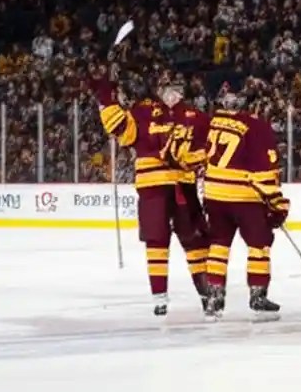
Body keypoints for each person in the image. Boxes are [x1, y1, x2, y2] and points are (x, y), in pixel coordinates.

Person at [90, 72, 212, 316]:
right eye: (167, 86)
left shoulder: (196, 117)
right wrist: (106, 95)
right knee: (156, 240)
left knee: (195, 241)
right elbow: (119, 128)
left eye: (177, 86)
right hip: (152, 186)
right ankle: (159, 297)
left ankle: (206, 294)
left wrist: (188, 160)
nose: (172, 92)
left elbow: (208, 150)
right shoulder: (143, 112)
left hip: (183, 186)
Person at [201, 93, 289, 317]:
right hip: (244, 195)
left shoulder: (214, 122)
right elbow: (264, 171)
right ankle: (258, 294)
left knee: (219, 245)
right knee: (259, 244)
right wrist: (278, 205)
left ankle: (214, 294)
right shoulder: (255, 126)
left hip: (213, 193)